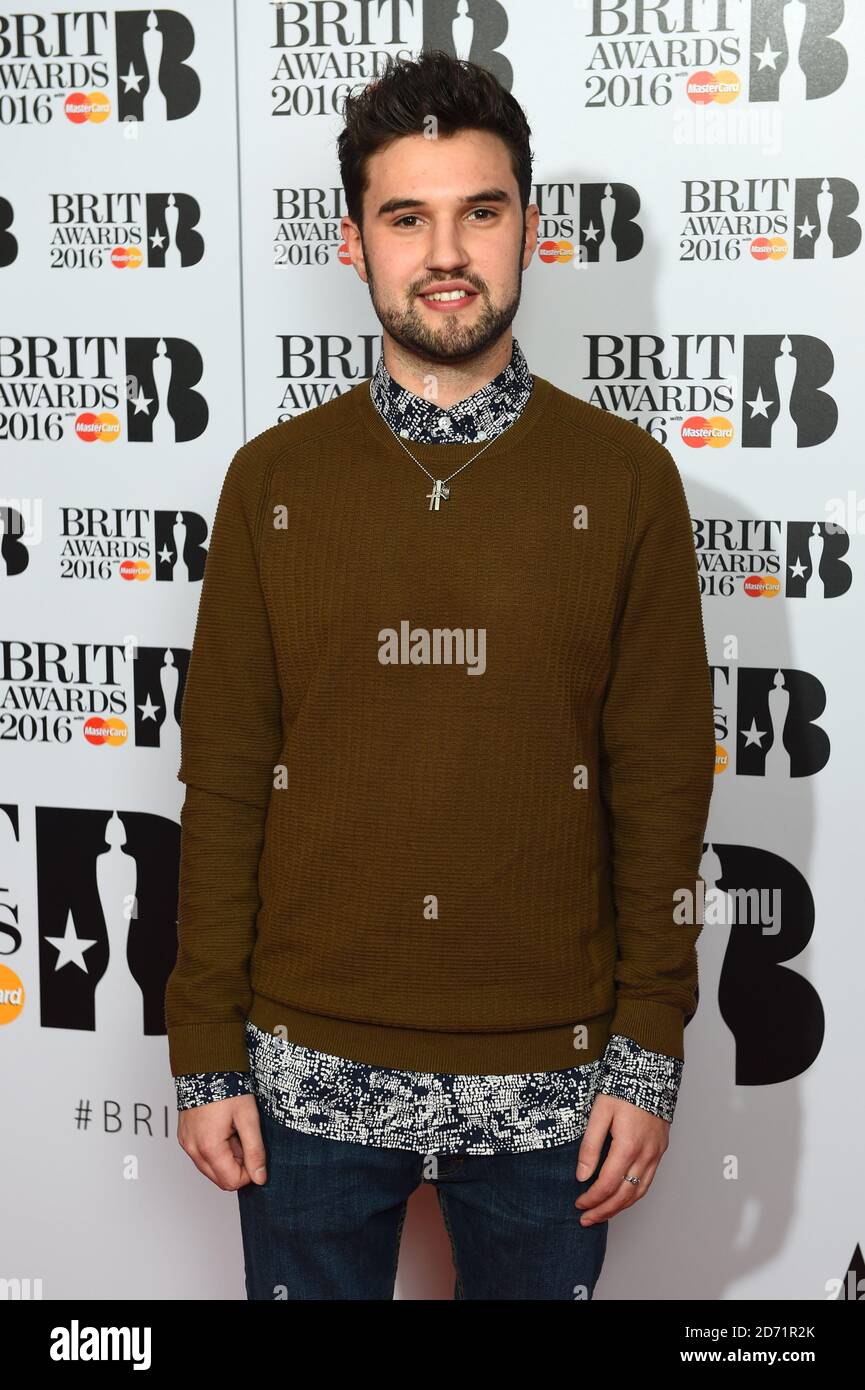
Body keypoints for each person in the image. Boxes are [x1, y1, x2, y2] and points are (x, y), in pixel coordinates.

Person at [165, 49, 716, 1301]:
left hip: (554, 1094)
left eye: (481, 209)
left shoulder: (627, 484)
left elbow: (663, 790)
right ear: (354, 243)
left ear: (531, 227)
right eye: (405, 216)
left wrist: (647, 1053)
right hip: (302, 1079)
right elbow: (227, 783)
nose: (446, 250)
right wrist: (205, 1049)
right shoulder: (271, 483)